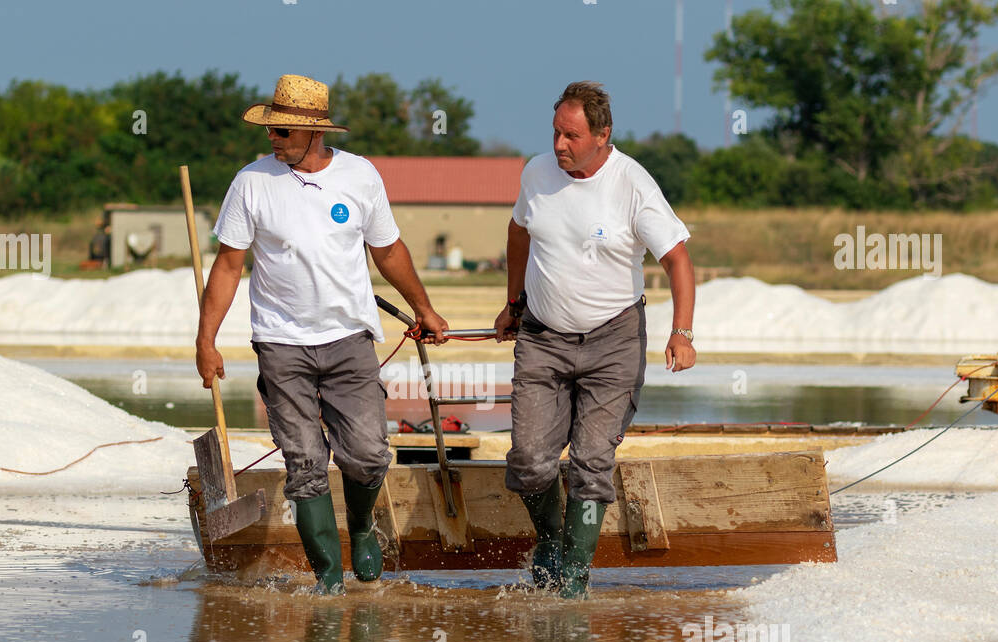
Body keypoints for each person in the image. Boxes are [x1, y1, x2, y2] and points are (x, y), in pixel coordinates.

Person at [196, 74, 448, 595]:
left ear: (315, 132)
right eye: (271, 129)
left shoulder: (360, 177)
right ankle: (330, 584)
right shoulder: (251, 182)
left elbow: (388, 250)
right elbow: (227, 266)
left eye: (283, 130)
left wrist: (424, 308)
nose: (273, 138)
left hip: (350, 338)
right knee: (306, 462)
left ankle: (359, 526)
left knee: (368, 454)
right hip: (280, 343)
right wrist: (206, 341)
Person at [494, 81, 696, 599]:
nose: (559, 145)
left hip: (614, 342)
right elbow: (519, 233)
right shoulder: (536, 173)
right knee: (531, 462)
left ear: (603, 136)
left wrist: (682, 332)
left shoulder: (632, 183)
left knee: (590, 461)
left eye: (572, 136)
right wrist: (513, 303)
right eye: (556, 132)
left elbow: (676, 259)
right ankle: (554, 541)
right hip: (542, 338)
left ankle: (573, 582)